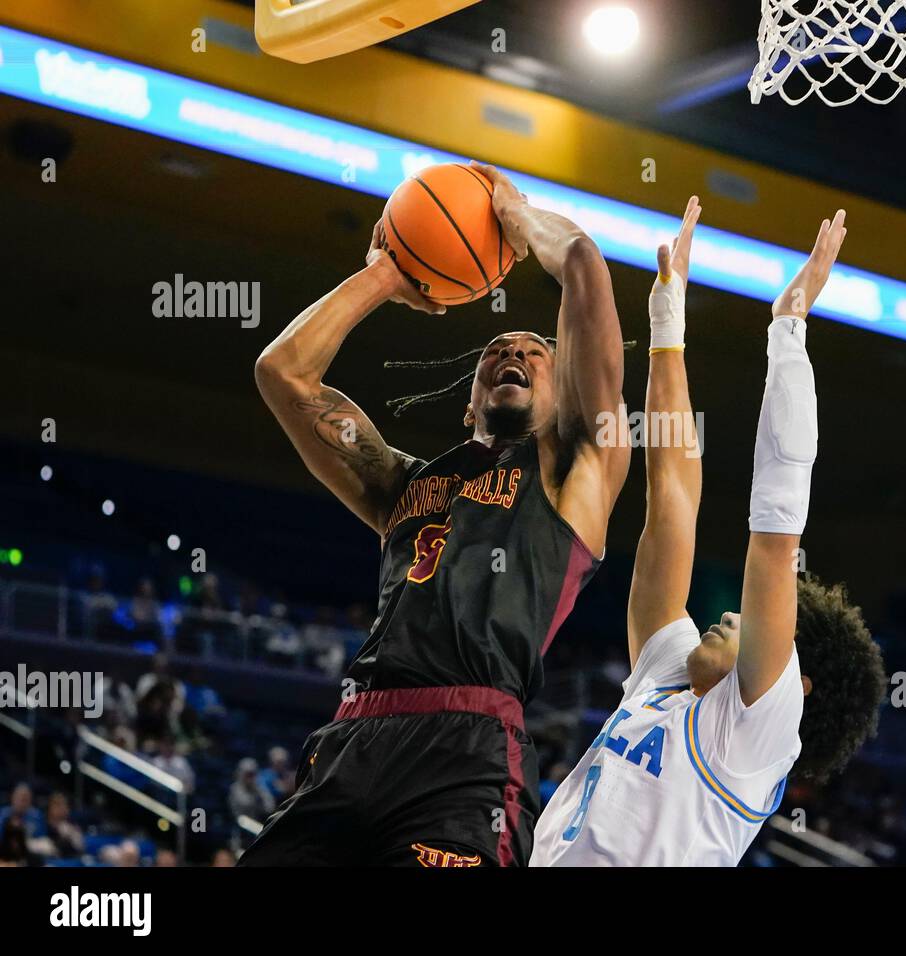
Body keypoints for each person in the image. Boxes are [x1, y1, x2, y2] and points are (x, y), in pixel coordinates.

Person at [241, 163, 630, 867]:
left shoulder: (577, 465)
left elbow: (582, 267)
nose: (513, 350)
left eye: (535, 352)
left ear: (562, 395)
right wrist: (389, 274)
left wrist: (515, 217)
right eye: (496, 350)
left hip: (467, 753)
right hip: (350, 739)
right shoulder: (399, 485)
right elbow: (283, 374)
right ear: (468, 404)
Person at [532, 202, 886, 866]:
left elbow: (775, 535)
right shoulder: (664, 680)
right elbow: (671, 493)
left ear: (795, 683)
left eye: (754, 619)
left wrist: (789, 330)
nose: (729, 611)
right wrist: (668, 326)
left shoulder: (757, 735)